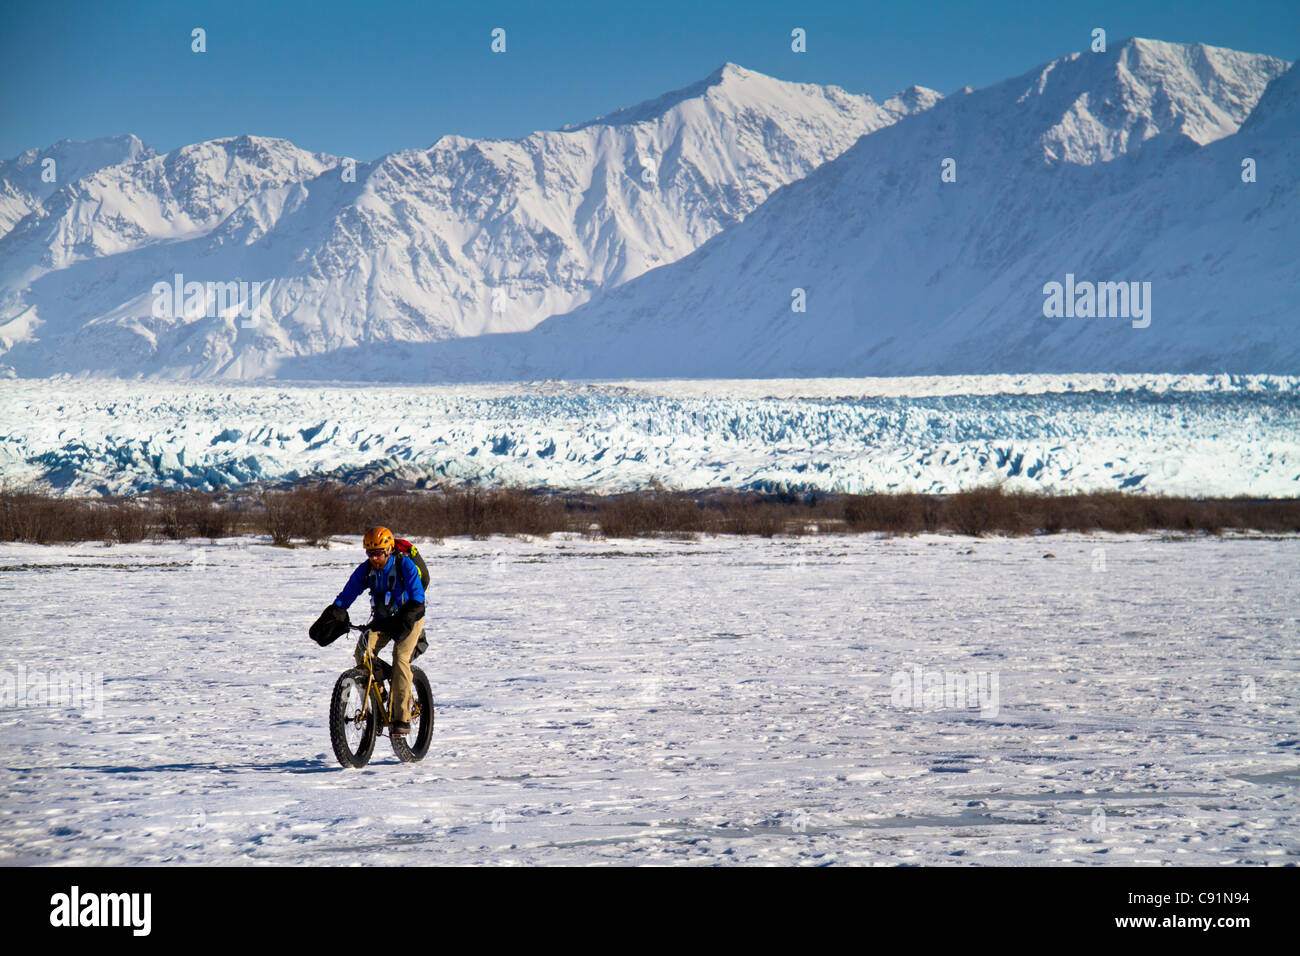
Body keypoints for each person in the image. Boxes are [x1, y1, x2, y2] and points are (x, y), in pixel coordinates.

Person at [322, 526, 426, 735]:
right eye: (370, 553)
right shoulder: (366, 570)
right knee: (362, 654)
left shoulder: (404, 565)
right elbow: (348, 593)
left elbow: (418, 597)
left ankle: (401, 718)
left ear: (388, 550)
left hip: (411, 619)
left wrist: (406, 617)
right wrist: (335, 612)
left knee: (400, 658)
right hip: (383, 621)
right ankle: (376, 706)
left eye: (378, 553)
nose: (374, 558)